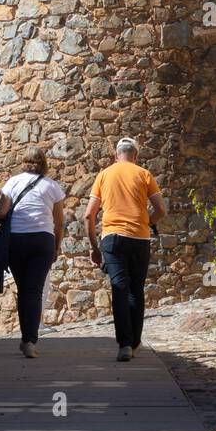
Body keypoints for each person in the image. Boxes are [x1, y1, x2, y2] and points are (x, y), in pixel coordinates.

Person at [84, 137, 166, 362]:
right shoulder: (144, 174)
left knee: (119, 289)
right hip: (140, 239)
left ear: (115, 155)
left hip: (112, 238)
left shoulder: (104, 175)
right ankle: (135, 342)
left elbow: (89, 215)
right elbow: (161, 209)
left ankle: (124, 345)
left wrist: (93, 247)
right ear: (135, 156)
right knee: (135, 290)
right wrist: (147, 222)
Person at [0, 146, 65, 358]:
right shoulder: (52, 186)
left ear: (24, 162)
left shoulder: (13, 182)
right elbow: (59, 223)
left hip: (17, 240)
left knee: (24, 290)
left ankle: (27, 338)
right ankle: (29, 341)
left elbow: (3, 212)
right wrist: (57, 246)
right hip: (42, 240)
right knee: (34, 291)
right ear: (44, 164)